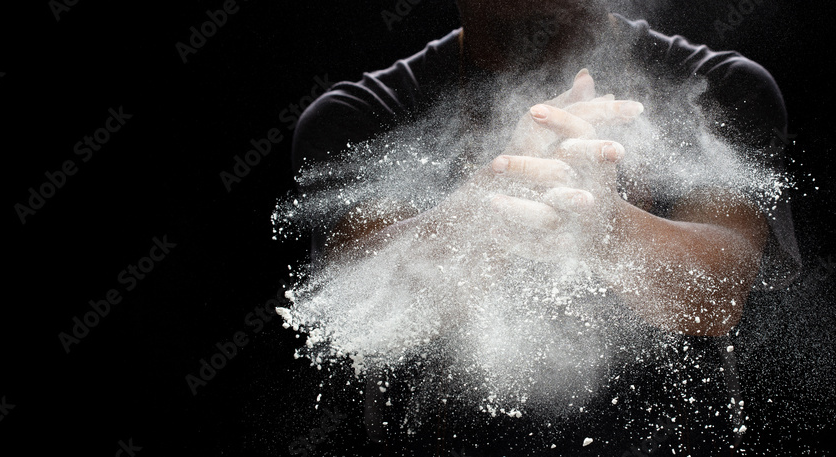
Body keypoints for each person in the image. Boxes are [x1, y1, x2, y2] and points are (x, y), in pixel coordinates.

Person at [288, 1, 800, 455]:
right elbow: (365, 304)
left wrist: (603, 224)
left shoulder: (716, 87)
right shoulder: (357, 118)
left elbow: (715, 300)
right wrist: (494, 202)